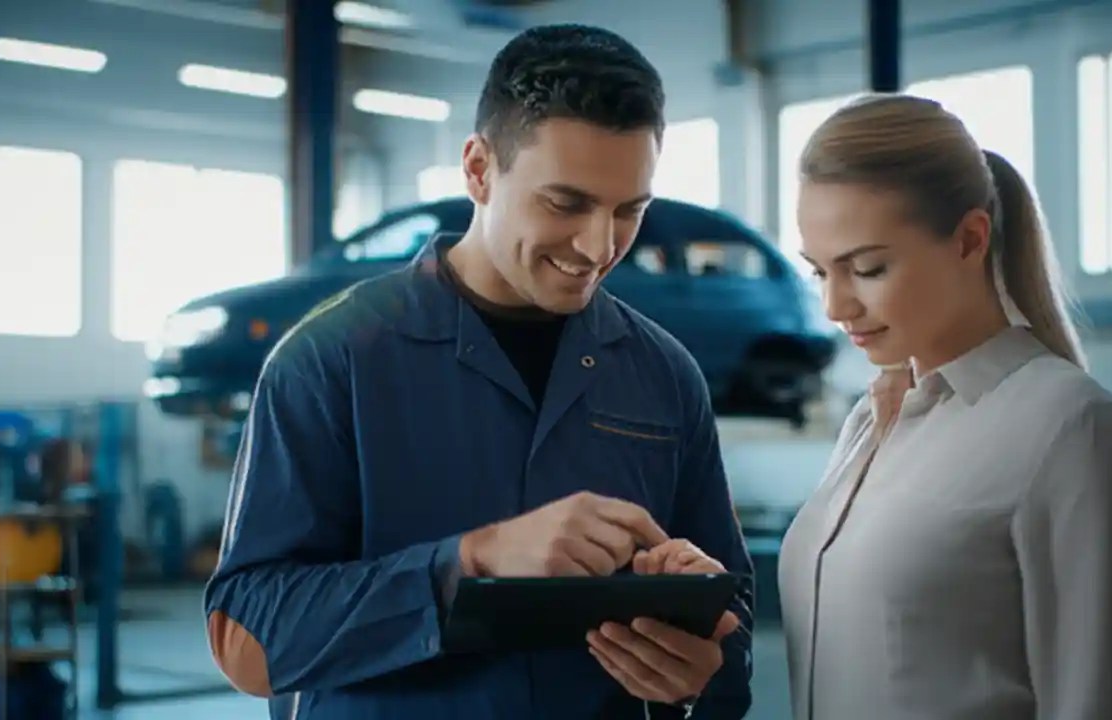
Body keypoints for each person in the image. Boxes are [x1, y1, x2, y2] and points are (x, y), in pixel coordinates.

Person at [202, 23, 755, 720]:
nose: (598, 246)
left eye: (629, 211)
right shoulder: (332, 360)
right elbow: (248, 643)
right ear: (478, 169)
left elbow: (732, 622)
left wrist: (705, 669)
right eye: (566, 203)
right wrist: (474, 560)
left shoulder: (665, 375)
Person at [777, 93, 1112, 720]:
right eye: (819, 273)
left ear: (970, 239)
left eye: (867, 269)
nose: (835, 307)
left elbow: (1094, 702)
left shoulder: (1068, 425)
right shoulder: (871, 419)